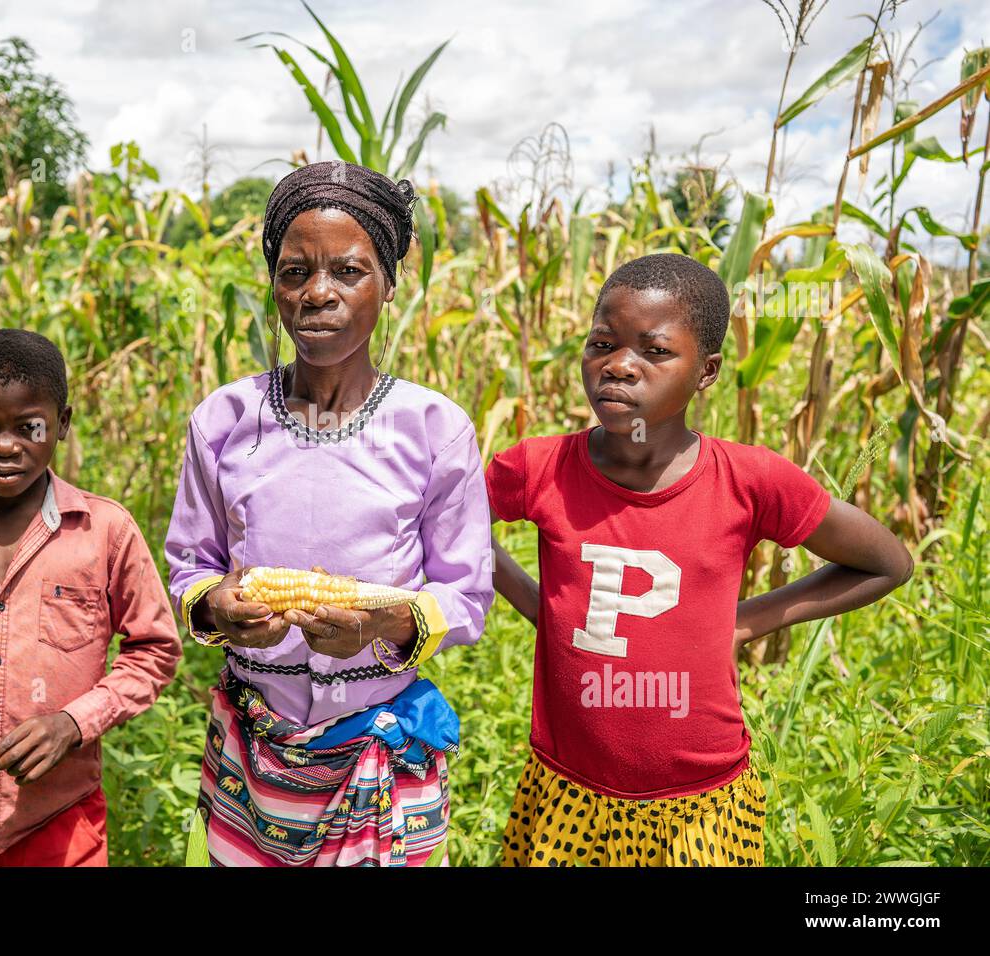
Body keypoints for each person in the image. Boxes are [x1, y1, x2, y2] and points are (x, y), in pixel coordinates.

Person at [487, 253, 913, 866]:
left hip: (700, 802)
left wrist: (746, 621)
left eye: (655, 352)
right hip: (566, 790)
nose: (619, 366)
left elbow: (888, 563)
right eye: (602, 342)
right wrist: (545, 611)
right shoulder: (536, 468)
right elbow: (452, 527)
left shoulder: (749, 480)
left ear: (707, 371)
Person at [164, 161, 494, 866]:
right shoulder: (223, 419)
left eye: (348, 271)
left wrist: (384, 621)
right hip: (254, 751)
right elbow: (191, 564)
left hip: (376, 749)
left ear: (390, 287)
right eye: (294, 272)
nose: (318, 294)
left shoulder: (434, 429)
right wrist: (215, 604)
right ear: (274, 285)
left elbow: (464, 595)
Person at [0, 328, 182, 866]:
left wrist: (73, 723)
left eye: (29, 427)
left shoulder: (104, 531)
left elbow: (154, 651)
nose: (3, 445)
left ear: (62, 423)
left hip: (60, 818)